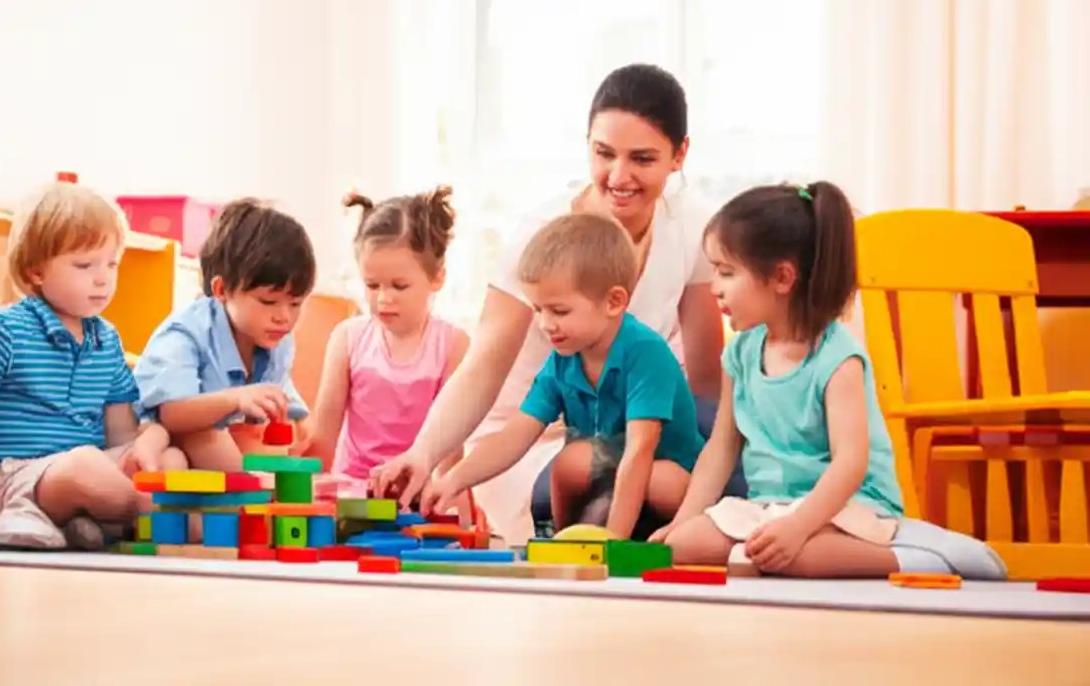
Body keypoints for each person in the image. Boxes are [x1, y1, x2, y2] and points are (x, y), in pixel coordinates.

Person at [372, 63, 729, 544]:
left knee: (732, 477)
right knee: (586, 470)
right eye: (604, 153)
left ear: (679, 154)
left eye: (642, 159)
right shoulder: (546, 238)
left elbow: (707, 382)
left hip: (635, 423)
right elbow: (484, 368)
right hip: (539, 441)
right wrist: (427, 455)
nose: (619, 176)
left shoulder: (691, 228)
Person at [653, 182, 904, 576]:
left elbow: (850, 464)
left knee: (798, 557)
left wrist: (799, 527)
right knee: (686, 545)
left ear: (782, 278)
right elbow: (720, 451)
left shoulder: (838, 359)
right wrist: (681, 521)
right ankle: (771, 550)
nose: (714, 287)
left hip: (849, 505)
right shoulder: (740, 353)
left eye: (726, 272)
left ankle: (913, 555)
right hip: (770, 506)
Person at [0, 183, 184, 552]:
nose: (103, 278)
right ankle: (144, 517)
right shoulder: (6, 330)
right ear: (36, 273)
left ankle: (82, 524)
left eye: (112, 264)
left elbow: (121, 437)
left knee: (170, 459)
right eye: (85, 265)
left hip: (81, 473)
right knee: (86, 467)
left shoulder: (106, 341)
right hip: (11, 476)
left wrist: (149, 447)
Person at [423, 213, 704, 539]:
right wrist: (454, 480)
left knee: (659, 481)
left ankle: (617, 537)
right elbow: (515, 435)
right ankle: (563, 536)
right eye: (539, 310)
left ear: (613, 302)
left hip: (666, 474)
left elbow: (640, 452)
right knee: (571, 461)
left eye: (559, 311)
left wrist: (613, 542)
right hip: (610, 471)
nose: (545, 324)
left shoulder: (645, 353)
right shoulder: (563, 360)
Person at [133, 199, 315, 472]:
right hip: (158, 431)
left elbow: (276, 389)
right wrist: (237, 398)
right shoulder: (184, 335)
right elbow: (172, 413)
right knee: (202, 435)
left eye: (296, 303)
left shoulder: (275, 337)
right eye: (268, 302)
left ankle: (255, 496)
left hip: (223, 436)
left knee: (278, 443)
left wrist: (296, 418)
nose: (284, 317)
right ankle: (247, 499)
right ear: (222, 290)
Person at [306, 186, 469, 487]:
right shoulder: (347, 339)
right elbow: (323, 439)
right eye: (372, 285)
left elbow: (450, 451)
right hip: (352, 486)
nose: (383, 298)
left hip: (419, 490)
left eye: (399, 286)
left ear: (437, 277)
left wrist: (451, 501)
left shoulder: (453, 344)